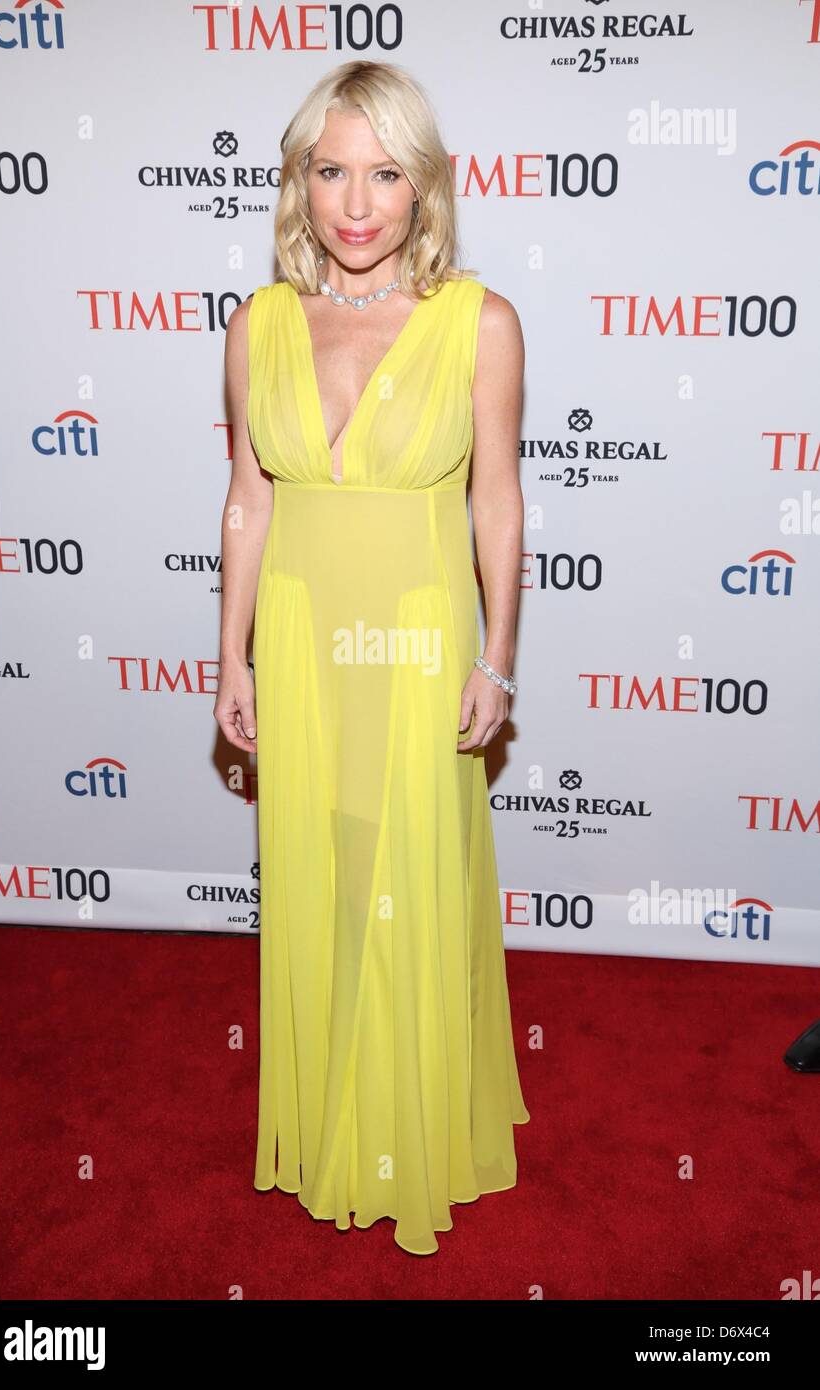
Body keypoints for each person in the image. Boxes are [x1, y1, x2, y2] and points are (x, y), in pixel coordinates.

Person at [214, 59, 528, 1256]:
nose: (355, 202)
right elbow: (246, 497)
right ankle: (331, 1107)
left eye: (383, 173)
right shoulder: (260, 324)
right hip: (297, 633)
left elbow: (494, 502)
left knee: (403, 865)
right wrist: (227, 654)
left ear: (422, 187)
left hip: (411, 635)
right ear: (300, 183)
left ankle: (403, 1127)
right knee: (322, 872)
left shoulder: (477, 323)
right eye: (330, 170)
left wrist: (495, 661)